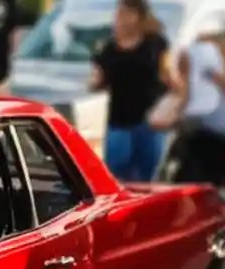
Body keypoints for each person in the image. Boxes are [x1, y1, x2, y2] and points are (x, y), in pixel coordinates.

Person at [91, 0, 175, 182]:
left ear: (137, 17)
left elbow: (167, 75)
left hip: (150, 122)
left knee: (146, 176)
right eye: (118, 13)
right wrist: (94, 82)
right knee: (117, 175)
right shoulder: (108, 48)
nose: (118, 18)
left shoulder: (156, 44)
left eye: (124, 13)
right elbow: (98, 81)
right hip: (120, 121)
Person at [171, 22, 225, 185]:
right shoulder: (200, 76)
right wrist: (186, 76)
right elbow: (181, 108)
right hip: (202, 138)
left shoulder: (214, 73)